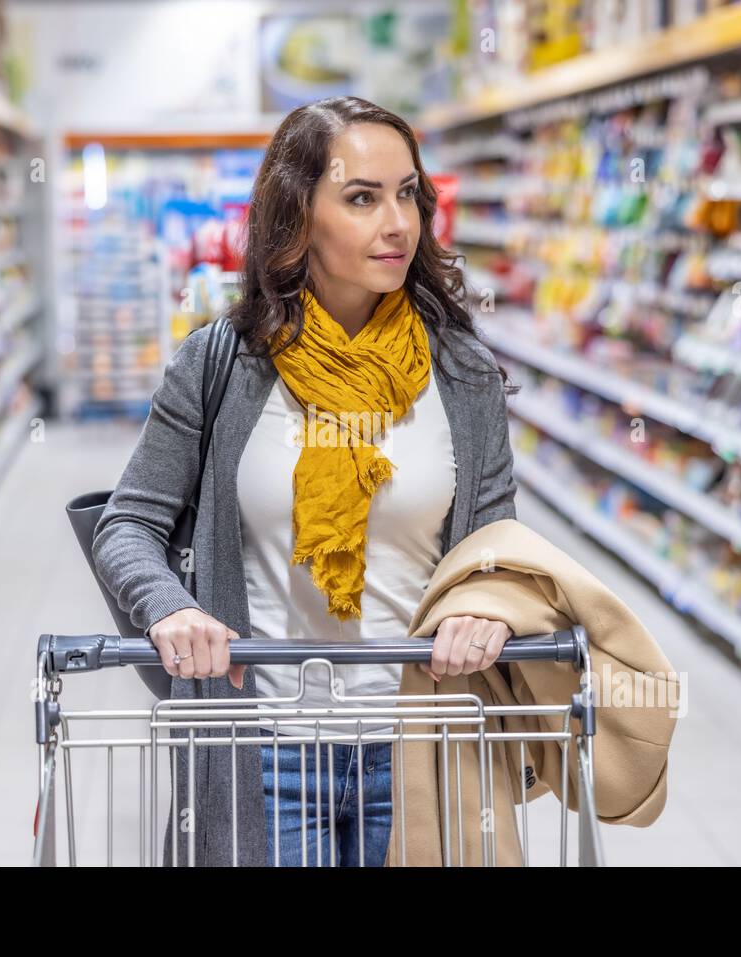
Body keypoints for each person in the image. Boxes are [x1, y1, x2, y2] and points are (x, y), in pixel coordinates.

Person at [93, 95, 520, 867]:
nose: (397, 223)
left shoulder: (462, 374)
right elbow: (128, 525)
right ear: (297, 216)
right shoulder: (223, 363)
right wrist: (172, 609)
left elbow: (496, 549)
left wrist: (487, 606)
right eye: (361, 198)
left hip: (420, 745)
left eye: (408, 194)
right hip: (267, 752)